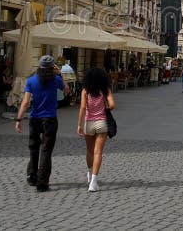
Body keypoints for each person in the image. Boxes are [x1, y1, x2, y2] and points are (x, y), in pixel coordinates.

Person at [14, 55, 69, 192]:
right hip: (50, 119)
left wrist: (18, 119)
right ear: (52, 68)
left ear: (39, 67)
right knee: (46, 150)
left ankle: (32, 176)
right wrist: (61, 74)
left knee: (34, 147)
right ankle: (42, 183)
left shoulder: (31, 81)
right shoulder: (56, 80)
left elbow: (26, 102)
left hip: (34, 118)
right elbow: (67, 91)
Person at [77, 67, 116, 192]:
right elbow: (112, 105)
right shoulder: (105, 90)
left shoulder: (85, 91)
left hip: (89, 123)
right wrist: (106, 106)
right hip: (102, 123)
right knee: (98, 152)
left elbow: (83, 108)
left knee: (89, 151)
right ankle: (93, 182)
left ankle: (89, 174)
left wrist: (79, 124)